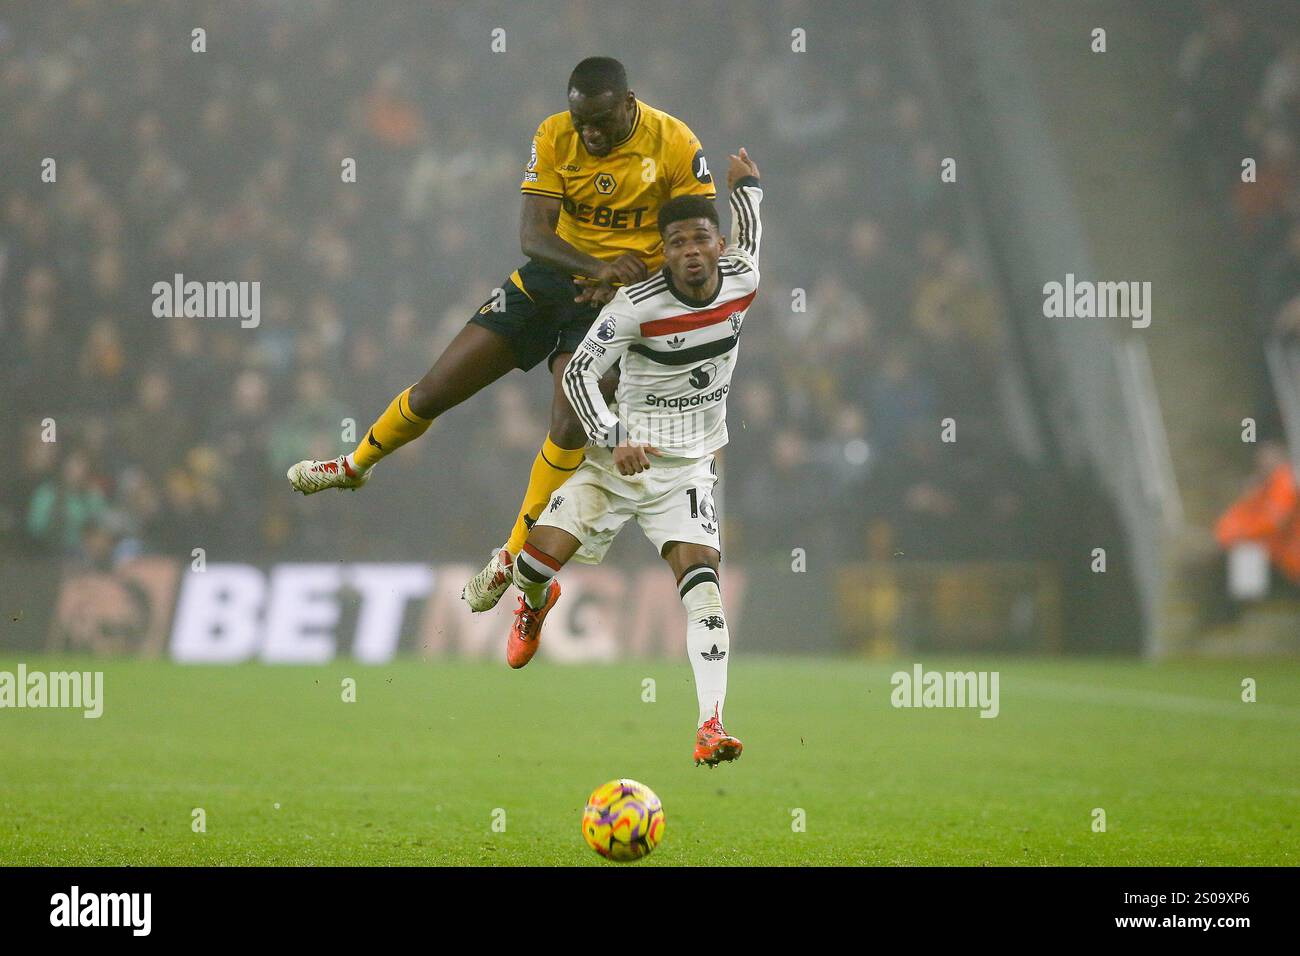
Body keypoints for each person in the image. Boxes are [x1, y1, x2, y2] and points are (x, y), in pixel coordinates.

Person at [286, 57, 717, 609]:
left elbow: (699, 244)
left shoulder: (676, 143)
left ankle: (511, 555)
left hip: (616, 304)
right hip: (552, 280)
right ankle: (354, 466)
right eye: (580, 120)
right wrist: (596, 265)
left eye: (601, 122)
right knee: (435, 389)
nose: (589, 133)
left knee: (568, 417)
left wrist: (625, 282)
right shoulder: (555, 134)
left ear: (629, 103)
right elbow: (533, 236)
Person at [505, 148, 763, 768]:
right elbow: (578, 377)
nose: (692, 250)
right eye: (677, 242)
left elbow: (752, 228)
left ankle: (711, 724)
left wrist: (748, 184)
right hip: (615, 464)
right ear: (665, 251)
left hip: (688, 469)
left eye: (702, 238)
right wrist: (614, 431)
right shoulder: (634, 308)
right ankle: (533, 605)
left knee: (703, 585)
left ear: (717, 243)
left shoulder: (743, 277)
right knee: (535, 565)